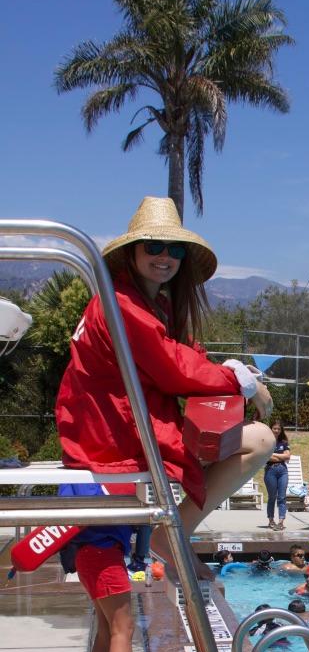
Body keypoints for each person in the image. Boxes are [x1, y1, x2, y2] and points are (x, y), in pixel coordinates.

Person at [55, 196, 274, 581]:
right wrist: (243, 383)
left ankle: (173, 536)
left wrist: (230, 372)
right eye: (154, 246)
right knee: (260, 441)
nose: (165, 256)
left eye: (175, 249)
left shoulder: (141, 303)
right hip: (116, 437)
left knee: (239, 439)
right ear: (132, 253)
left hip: (113, 428)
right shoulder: (124, 306)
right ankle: (173, 536)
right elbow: (174, 368)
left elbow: (180, 354)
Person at [58, 484, 154, 652]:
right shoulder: (94, 476)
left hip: (88, 555)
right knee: (123, 630)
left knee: (106, 632)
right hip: (104, 556)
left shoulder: (73, 476)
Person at [264, 419, 291, 530]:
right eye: (274, 428)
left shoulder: (283, 442)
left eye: (278, 429)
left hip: (283, 471)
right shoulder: (266, 442)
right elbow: (265, 456)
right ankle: (271, 520)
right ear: (271, 429)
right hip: (270, 470)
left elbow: (287, 456)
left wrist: (273, 454)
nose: (276, 430)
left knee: (282, 497)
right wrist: (280, 456)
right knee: (272, 497)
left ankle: (281, 521)